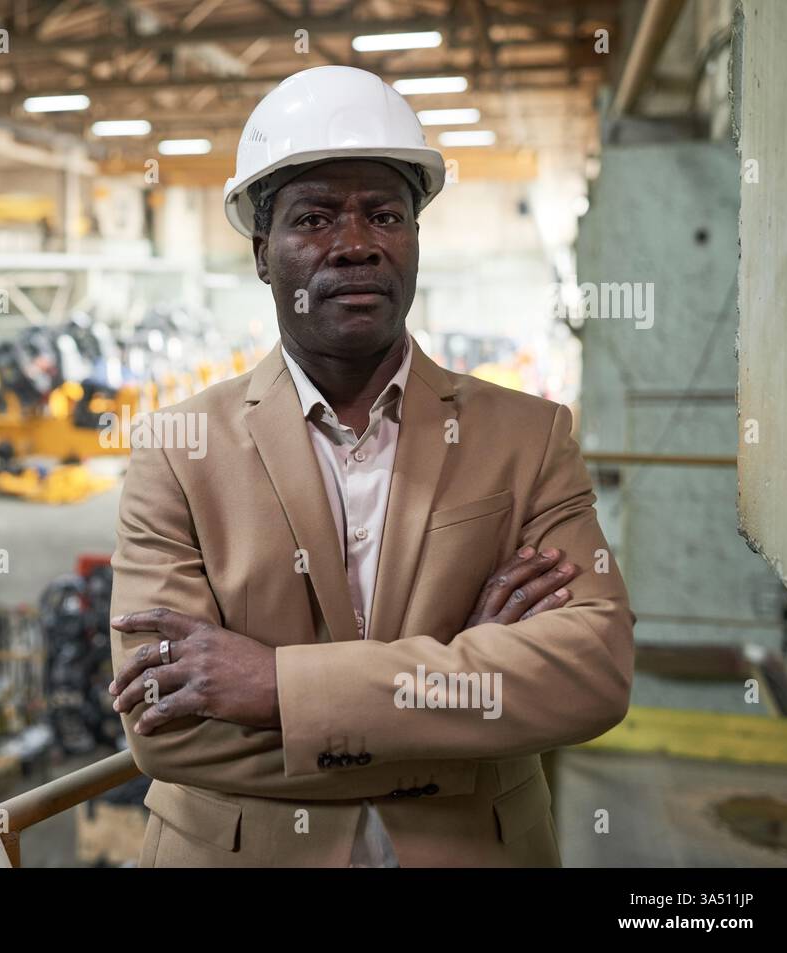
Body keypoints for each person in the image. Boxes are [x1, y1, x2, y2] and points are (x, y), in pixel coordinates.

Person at [106, 65, 635, 867]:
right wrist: (462, 701)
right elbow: (165, 728)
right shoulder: (177, 452)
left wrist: (276, 689)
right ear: (262, 253)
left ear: (414, 238)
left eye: (384, 215)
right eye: (314, 218)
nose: (355, 244)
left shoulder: (528, 436)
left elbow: (590, 670)